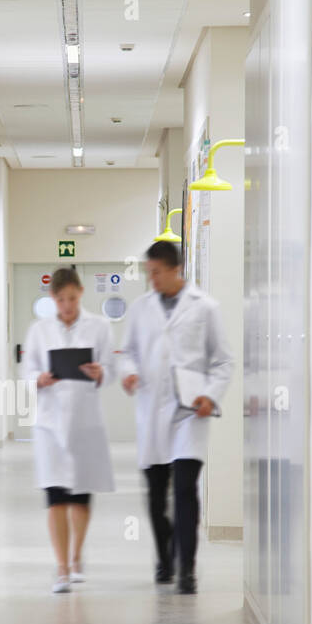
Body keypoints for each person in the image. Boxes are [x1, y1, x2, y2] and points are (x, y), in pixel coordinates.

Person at [120, 240, 233, 594]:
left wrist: (210, 395)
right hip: (152, 409)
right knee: (156, 496)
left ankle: (187, 568)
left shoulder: (205, 307)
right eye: (147, 273)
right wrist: (128, 371)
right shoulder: (141, 308)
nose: (151, 279)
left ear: (175, 269)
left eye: (155, 272)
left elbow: (224, 361)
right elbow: (128, 352)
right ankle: (165, 558)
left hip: (189, 411)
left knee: (184, 490)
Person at [22, 267, 117, 593]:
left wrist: (99, 371)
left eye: (72, 299)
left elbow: (112, 369)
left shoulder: (100, 326)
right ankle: (61, 568)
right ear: (53, 297)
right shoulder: (39, 330)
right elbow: (27, 371)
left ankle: (77, 556)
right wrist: (39, 379)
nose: (67, 306)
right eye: (61, 300)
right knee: (56, 496)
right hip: (50, 423)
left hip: (85, 422)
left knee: (80, 497)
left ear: (80, 293)